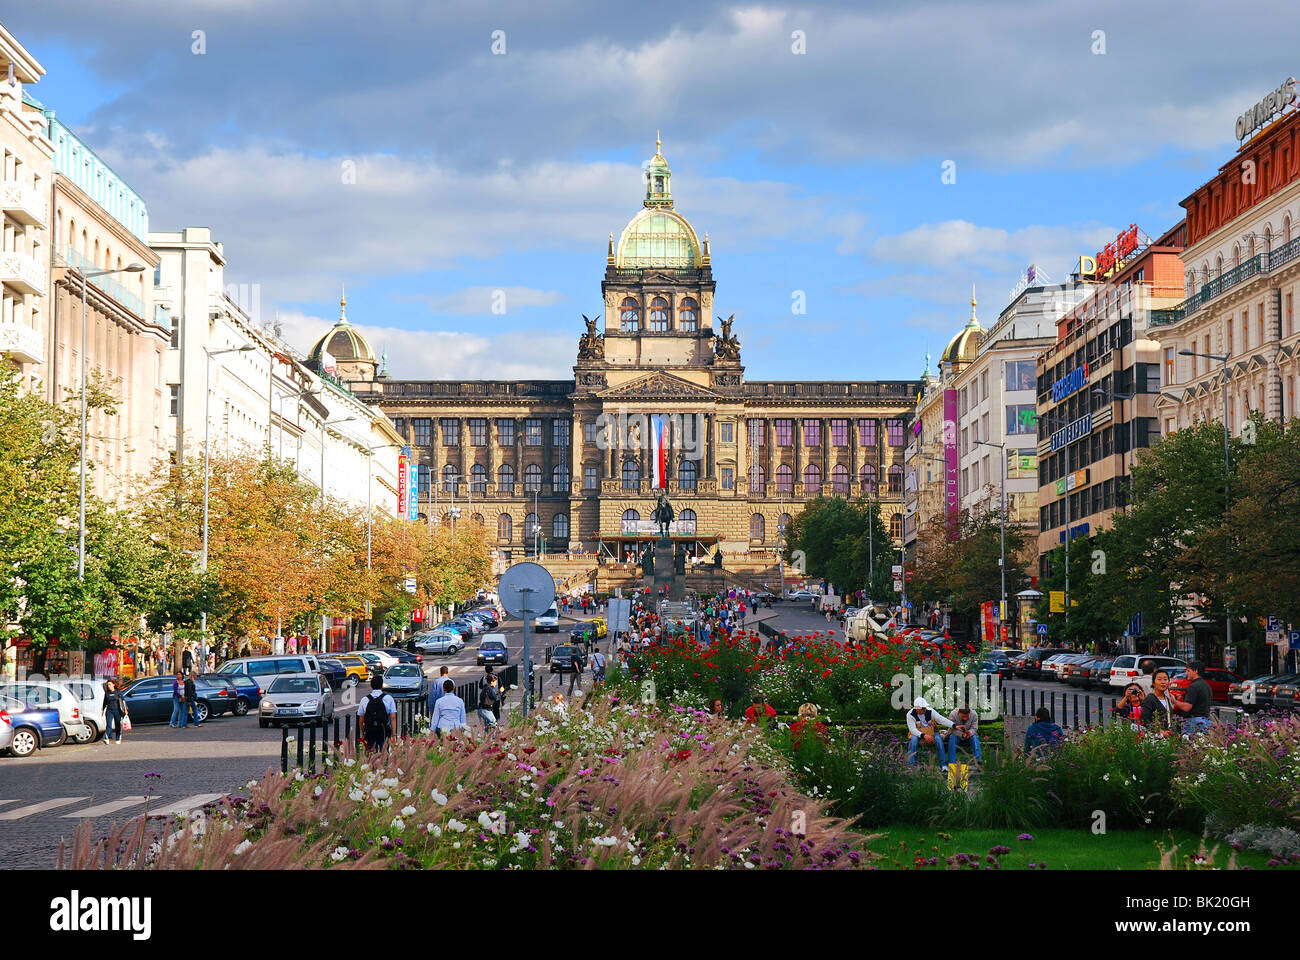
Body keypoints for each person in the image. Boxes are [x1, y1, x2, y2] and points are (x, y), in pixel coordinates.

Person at [905, 697, 952, 766]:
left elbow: (941, 719)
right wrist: (924, 736)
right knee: (913, 739)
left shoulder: (930, 711)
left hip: (931, 732)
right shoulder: (910, 714)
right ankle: (911, 765)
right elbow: (913, 730)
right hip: (918, 734)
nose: (925, 709)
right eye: (923, 708)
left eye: (925, 707)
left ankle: (943, 764)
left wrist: (953, 725)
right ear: (917, 708)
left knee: (938, 738)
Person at [1173, 661, 1214, 736]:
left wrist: (1174, 700)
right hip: (1205, 721)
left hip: (1194, 722)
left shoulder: (1193, 686)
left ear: (1196, 671)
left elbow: (1186, 707)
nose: (1186, 673)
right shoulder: (1206, 685)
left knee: (1190, 745)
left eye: (1188, 671)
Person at [359, 678, 398, 751]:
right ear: (382, 686)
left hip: (370, 729)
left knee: (371, 751)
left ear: (371, 685)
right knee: (384, 751)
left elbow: (361, 720)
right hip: (383, 729)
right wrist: (394, 735)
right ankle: (385, 761)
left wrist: (363, 733)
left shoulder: (364, 699)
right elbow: (393, 717)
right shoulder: (388, 698)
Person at [1140, 668, 1178, 738]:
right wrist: (1160, 731)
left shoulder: (1167, 698)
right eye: (1159, 679)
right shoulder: (1150, 699)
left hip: (1168, 737)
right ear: (1153, 683)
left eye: (1165, 679)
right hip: (1156, 738)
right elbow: (1144, 719)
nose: (1163, 682)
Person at [102, 678, 127, 745]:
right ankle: (107, 738)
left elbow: (123, 700)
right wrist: (102, 709)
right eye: (108, 685)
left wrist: (125, 709)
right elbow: (104, 702)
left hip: (117, 710)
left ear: (113, 684)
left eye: (110, 684)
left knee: (117, 724)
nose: (108, 686)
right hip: (109, 710)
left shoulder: (118, 692)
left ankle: (118, 738)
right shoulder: (107, 693)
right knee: (109, 725)